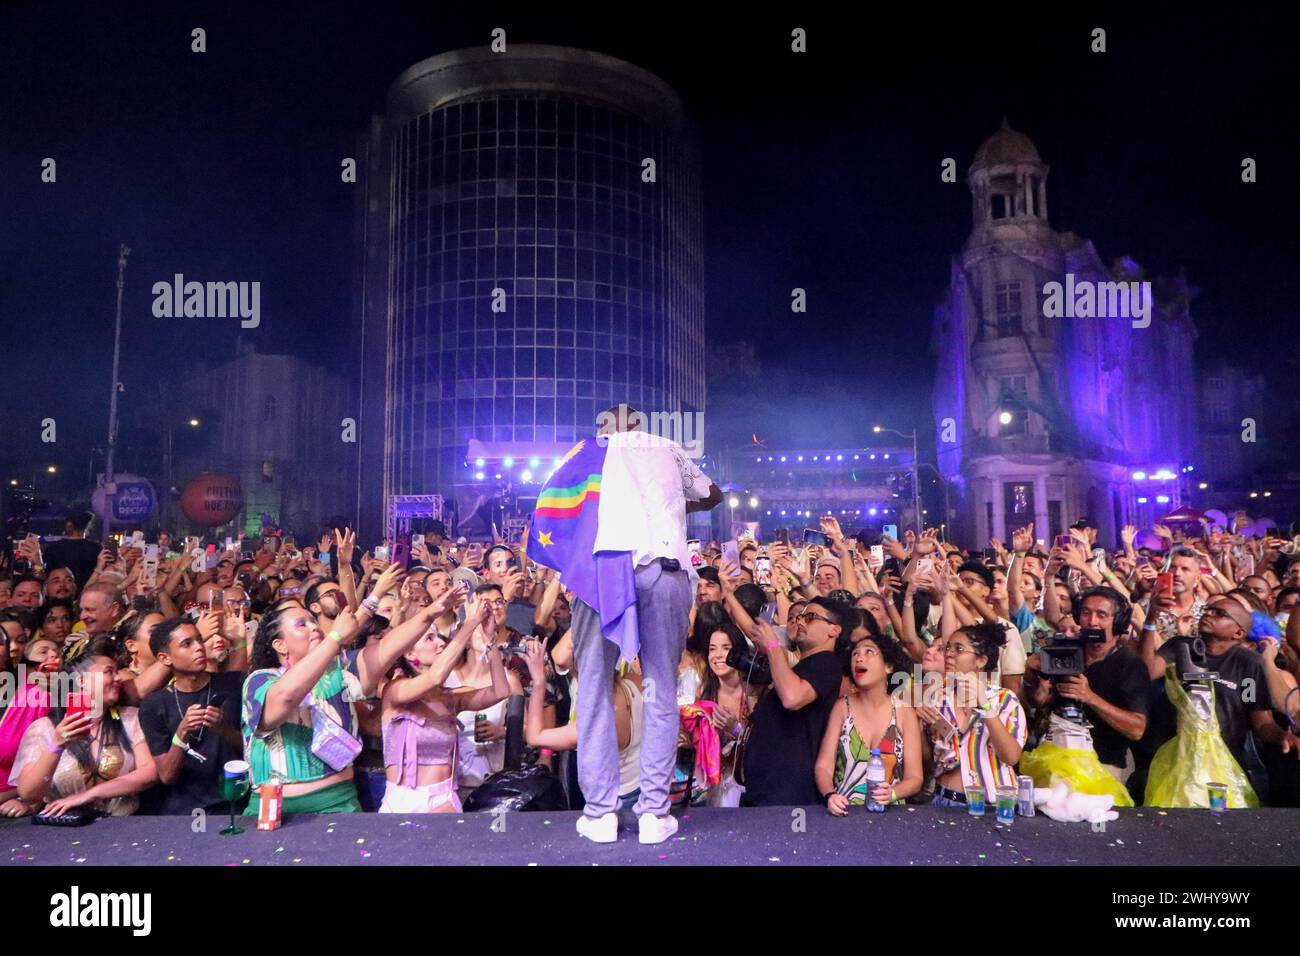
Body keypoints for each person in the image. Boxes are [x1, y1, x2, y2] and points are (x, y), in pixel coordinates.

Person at [563, 406, 722, 844]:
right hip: (664, 569)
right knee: (661, 689)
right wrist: (668, 498)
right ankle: (653, 813)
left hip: (603, 571)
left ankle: (600, 815)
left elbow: (555, 507)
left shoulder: (584, 453)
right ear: (638, 426)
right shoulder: (667, 447)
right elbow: (714, 495)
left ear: (603, 429)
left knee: (593, 688)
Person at [240, 573, 466, 816]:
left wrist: (432, 611)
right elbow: (285, 698)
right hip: (274, 811)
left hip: (338, 805)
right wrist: (335, 637)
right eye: (301, 624)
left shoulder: (341, 672)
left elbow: (389, 646)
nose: (315, 626)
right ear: (280, 645)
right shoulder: (261, 680)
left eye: (312, 621)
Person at [379, 596, 507, 812]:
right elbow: (434, 677)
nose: (440, 643)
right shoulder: (396, 692)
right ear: (410, 654)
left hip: (444, 800)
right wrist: (470, 623)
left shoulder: (450, 698)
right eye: (429, 639)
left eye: (439, 637)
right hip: (403, 802)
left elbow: (500, 691)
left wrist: (489, 641)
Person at [11, 636, 158, 817]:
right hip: (63, 829)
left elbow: (149, 772)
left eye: (116, 671)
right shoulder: (44, 728)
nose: (118, 678)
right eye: (109, 671)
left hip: (123, 825)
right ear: (81, 680)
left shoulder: (129, 718)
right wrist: (56, 746)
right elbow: (29, 794)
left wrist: (88, 795)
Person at [739, 599, 847, 806]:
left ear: (834, 630)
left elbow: (792, 697)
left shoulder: (827, 663)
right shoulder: (800, 666)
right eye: (799, 617)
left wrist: (772, 645)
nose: (801, 622)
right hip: (766, 788)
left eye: (810, 617)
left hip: (789, 793)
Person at [138, 618, 244, 814]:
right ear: (165, 658)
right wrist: (182, 733)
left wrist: (223, 730)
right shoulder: (153, 705)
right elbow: (167, 776)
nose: (199, 648)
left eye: (199, 640)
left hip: (236, 804)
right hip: (185, 812)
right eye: (187, 644)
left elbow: (251, 748)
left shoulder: (234, 684)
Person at [921, 621, 1027, 808]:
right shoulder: (937, 697)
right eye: (948, 648)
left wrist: (985, 706)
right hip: (943, 800)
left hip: (992, 805)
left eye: (958, 649)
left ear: (981, 660)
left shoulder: (1004, 700)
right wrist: (918, 723)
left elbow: (1011, 756)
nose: (949, 654)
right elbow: (928, 759)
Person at [816, 629, 922, 814]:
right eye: (855, 653)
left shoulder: (904, 711)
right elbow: (823, 766)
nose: (859, 658)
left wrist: (894, 793)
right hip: (845, 813)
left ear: (888, 666)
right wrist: (829, 795)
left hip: (890, 816)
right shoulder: (842, 707)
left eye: (869, 652)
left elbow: (915, 778)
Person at [692, 622, 762, 807]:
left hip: (747, 783)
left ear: (738, 653)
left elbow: (762, 745)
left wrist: (736, 728)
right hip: (713, 786)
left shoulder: (752, 692)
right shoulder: (704, 692)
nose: (717, 656)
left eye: (726, 648)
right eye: (712, 649)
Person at [0, 637, 62, 816]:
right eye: (43, 652)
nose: (52, 656)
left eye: (57, 653)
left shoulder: (49, 699)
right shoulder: (11, 694)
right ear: (25, 665)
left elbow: (58, 762)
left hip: (12, 807)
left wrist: (27, 800)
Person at [41, 512, 101, 587]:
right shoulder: (96, 548)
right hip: (88, 592)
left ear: (69, 525)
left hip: (58, 591)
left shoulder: (53, 548)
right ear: (88, 527)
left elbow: (43, 571)